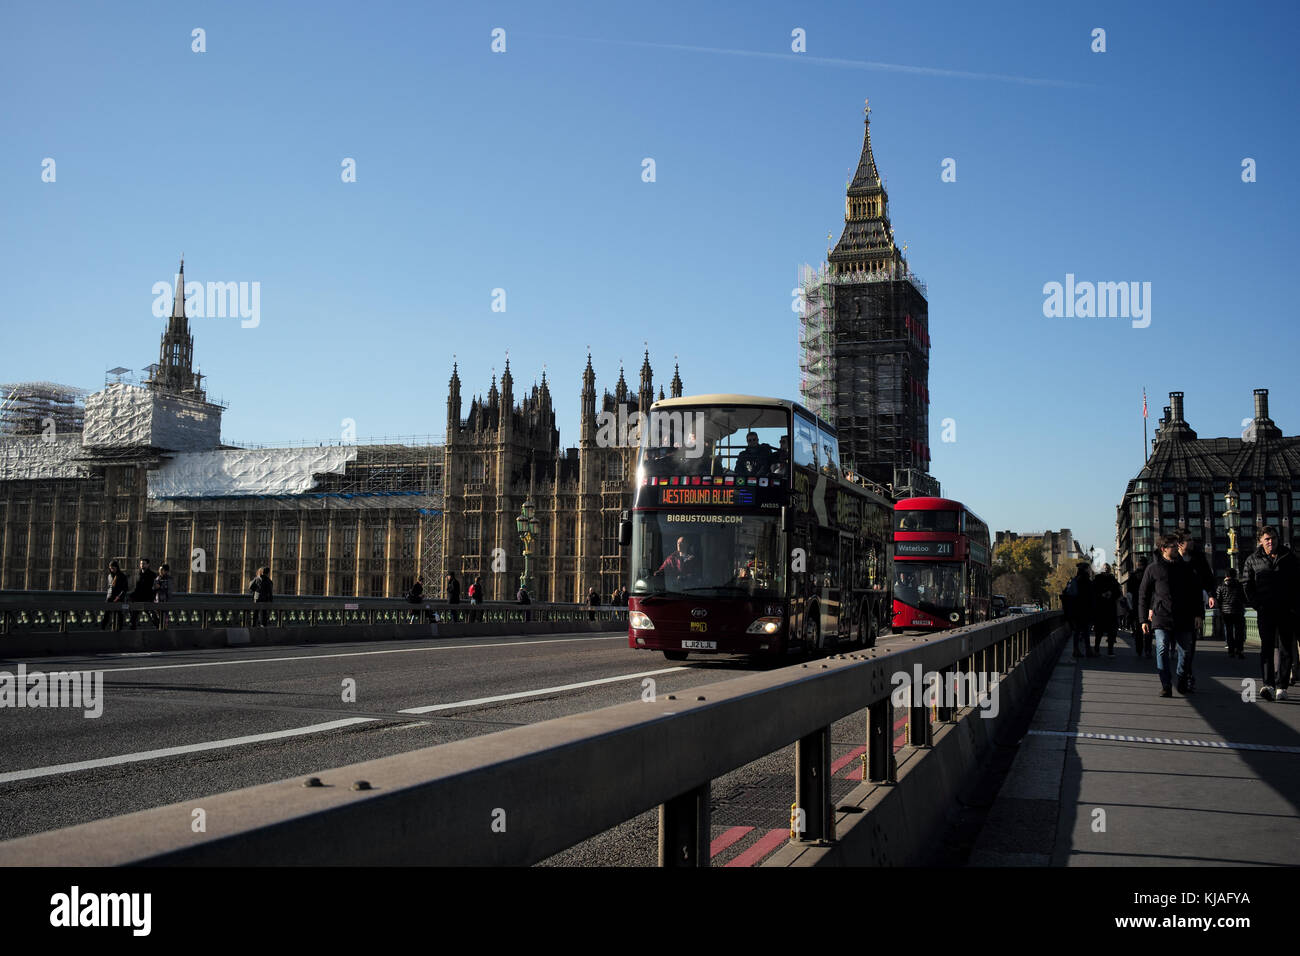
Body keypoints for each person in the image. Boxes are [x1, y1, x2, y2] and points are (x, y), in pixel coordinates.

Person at [1139, 533, 1201, 697]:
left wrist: (1198, 615)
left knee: (1185, 651)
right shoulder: (1153, 568)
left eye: (1177, 545)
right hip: (1161, 615)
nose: (1177, 548)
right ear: (1163, 549)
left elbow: (1195, 592)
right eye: (1173, 546)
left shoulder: (1186, 568)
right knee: (1161, 648)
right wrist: (1143, 619)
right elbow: (1143, 595)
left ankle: (1181, 678)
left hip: (1184, 615)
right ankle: (1166, 684)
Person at [1242, 526, 1299, 702]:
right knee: (1266, 647)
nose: (1270, 541)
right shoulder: (1252, 560)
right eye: (1267, 539)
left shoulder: (1289, 557)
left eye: (1273, 538)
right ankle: (1268, 684)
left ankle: (1282, 686)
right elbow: (1246, 583)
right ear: (1260, 541)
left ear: (1278, 538)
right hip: (1265, 610)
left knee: (1285, 648)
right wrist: (1257, 604)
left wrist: (1294, 605)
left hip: (1286, 610)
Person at [1177, 533, 1216, 690]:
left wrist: (1211, 594)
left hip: (1193, 607)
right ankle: (1173, 677)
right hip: (1172, 608)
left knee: (1189, 644)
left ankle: (1186, 674)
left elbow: (1208, 577)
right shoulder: (1171, 559)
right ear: (1180, 543)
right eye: (1189, 540)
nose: (1192, 542)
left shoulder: (1198, 558)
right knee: (1166, 645)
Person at [1062, 562, 1094, 658]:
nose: (1090, 570)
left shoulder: (1075, 580)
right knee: (1086, 630)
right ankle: (1088, 650)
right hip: (1084, 610)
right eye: (1089, 568)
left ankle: (1076, 650)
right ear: (1086, 569)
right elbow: (1090, 597)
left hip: (1075, 610)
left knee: (1077, 631)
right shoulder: (1086, 580)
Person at [1215, 568, 1247, 659]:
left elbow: (1218, 599)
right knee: (1239, 631)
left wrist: (1221, 609)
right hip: (1238, 611)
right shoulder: (1240, 585)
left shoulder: (1221, 586)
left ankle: (1231, 651)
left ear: (1226, 576)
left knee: (1229, 631)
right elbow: (1244, 598)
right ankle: (1239, 650)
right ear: (1235, 575)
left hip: (1226, 612)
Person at [1092, 564, 1121, 656]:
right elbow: (1093, 592)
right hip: (1100, 609)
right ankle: (1097, 649)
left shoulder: (1113, 580)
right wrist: (1101, 595)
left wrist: (1111, 593)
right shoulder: (1097, 579)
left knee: (1111, 631)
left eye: (1108, 569)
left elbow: (1118, 592)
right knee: (1099, 631)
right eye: (1105, 569)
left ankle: (1110, 650)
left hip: (1110, 608)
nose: (1106, 571)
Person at [1126, 559, 1151, 656]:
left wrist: (1131, 607)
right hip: (1147, 605)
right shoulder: (1148, 574)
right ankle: (1147, 650)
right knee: (1148, 629)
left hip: (1137, 605)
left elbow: (1129, 593)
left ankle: (1139, 649)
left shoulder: (1132, 576)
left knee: (1138, 629)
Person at [129, 558, 157, 629]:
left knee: (152, 616)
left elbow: (154, 588)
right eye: (141, 564)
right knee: (133, 616)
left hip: (148, 599)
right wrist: (132, 595)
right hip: (138, 599)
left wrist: (152, 598)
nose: (142, 565)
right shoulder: (138, 574)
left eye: (144, 564)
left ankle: (159, 629)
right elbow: (137, 588)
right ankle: (132, 631)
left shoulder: (153, 575)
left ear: (148, 565)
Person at [103, 560, 129, 631]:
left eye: (113, 568)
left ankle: (119, 630)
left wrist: (118, 597)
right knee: (106, 614)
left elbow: (125, 589)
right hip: (109, 598)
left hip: (118, 598)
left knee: (119, 615)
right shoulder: (109, 576)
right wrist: (108, 597)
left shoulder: (122, 576)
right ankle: (103, 629)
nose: (112, 570)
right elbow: (109, 587)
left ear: (117, 567)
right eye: (111, 568)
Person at [153, 562, 171, 629]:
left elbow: (168, 589)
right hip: (157, 600)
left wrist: (160, 587)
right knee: (158, 617)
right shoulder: (157, 578)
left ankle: (164, 628)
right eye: (159, 569)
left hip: (165, 600)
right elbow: (154, 587)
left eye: (162, 570)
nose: (160, 571)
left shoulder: (168, 579)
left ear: (166, 571)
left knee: (165, 617)